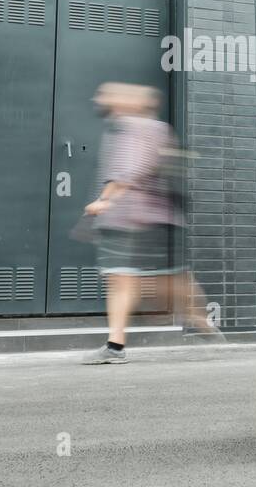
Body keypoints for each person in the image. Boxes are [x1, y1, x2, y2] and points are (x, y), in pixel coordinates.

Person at [80, 83, 214, 364]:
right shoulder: (147, 127)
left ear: (131, 102)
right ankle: (118, 345)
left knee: (139, 281)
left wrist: (105, 200)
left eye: (109, 93)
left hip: (137, 220)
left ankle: (194, 319)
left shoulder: (134, 127)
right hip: (147, 219)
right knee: (142, 279)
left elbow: (132, 168)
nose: (101, 97)